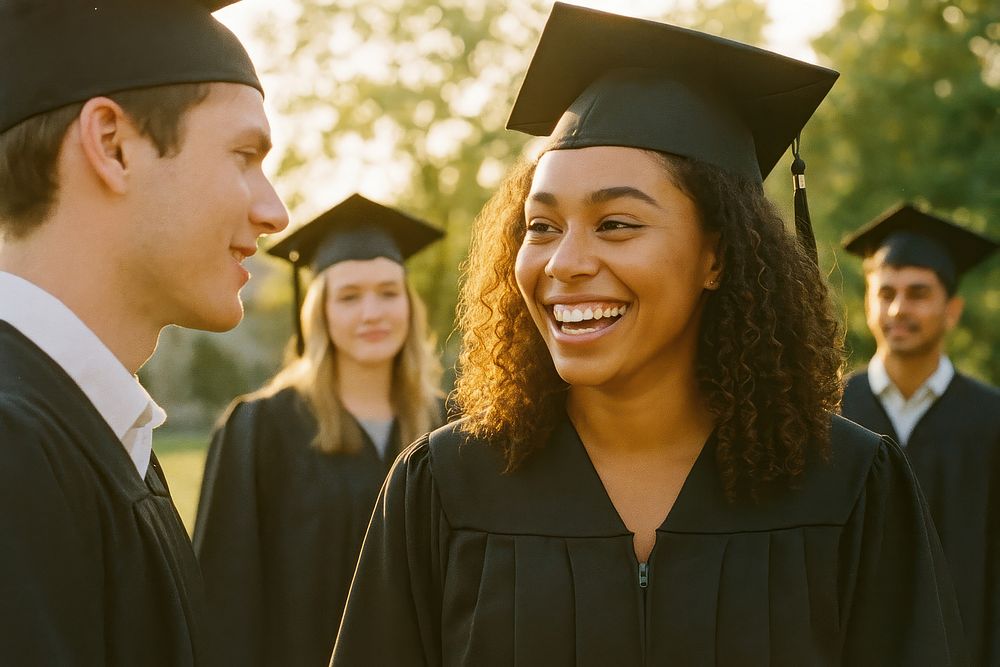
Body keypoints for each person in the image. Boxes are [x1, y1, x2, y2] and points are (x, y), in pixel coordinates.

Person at [331, 4, 967, 665]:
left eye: (616, 224)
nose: (564, 262)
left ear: (718, 257)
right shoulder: (445, 486)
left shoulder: (847, 486)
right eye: (541, 226)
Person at [0, 1, 288, 664]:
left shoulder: (95, 429)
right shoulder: (17, 449)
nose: (274, 210)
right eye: (244, 155)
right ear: (112, 146)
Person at [194, 193, 446, 667]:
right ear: (320, 313)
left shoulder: (449, 428)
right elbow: (225, 597)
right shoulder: (260, 428)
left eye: (388, 293)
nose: (372, 312)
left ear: (409, 307)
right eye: (349, 297)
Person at [840, 202, 999, 666]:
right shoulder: (827, 412)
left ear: (952, 310)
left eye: (917, 293)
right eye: (884, 292)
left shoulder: (991, 423)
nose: (897, 309)